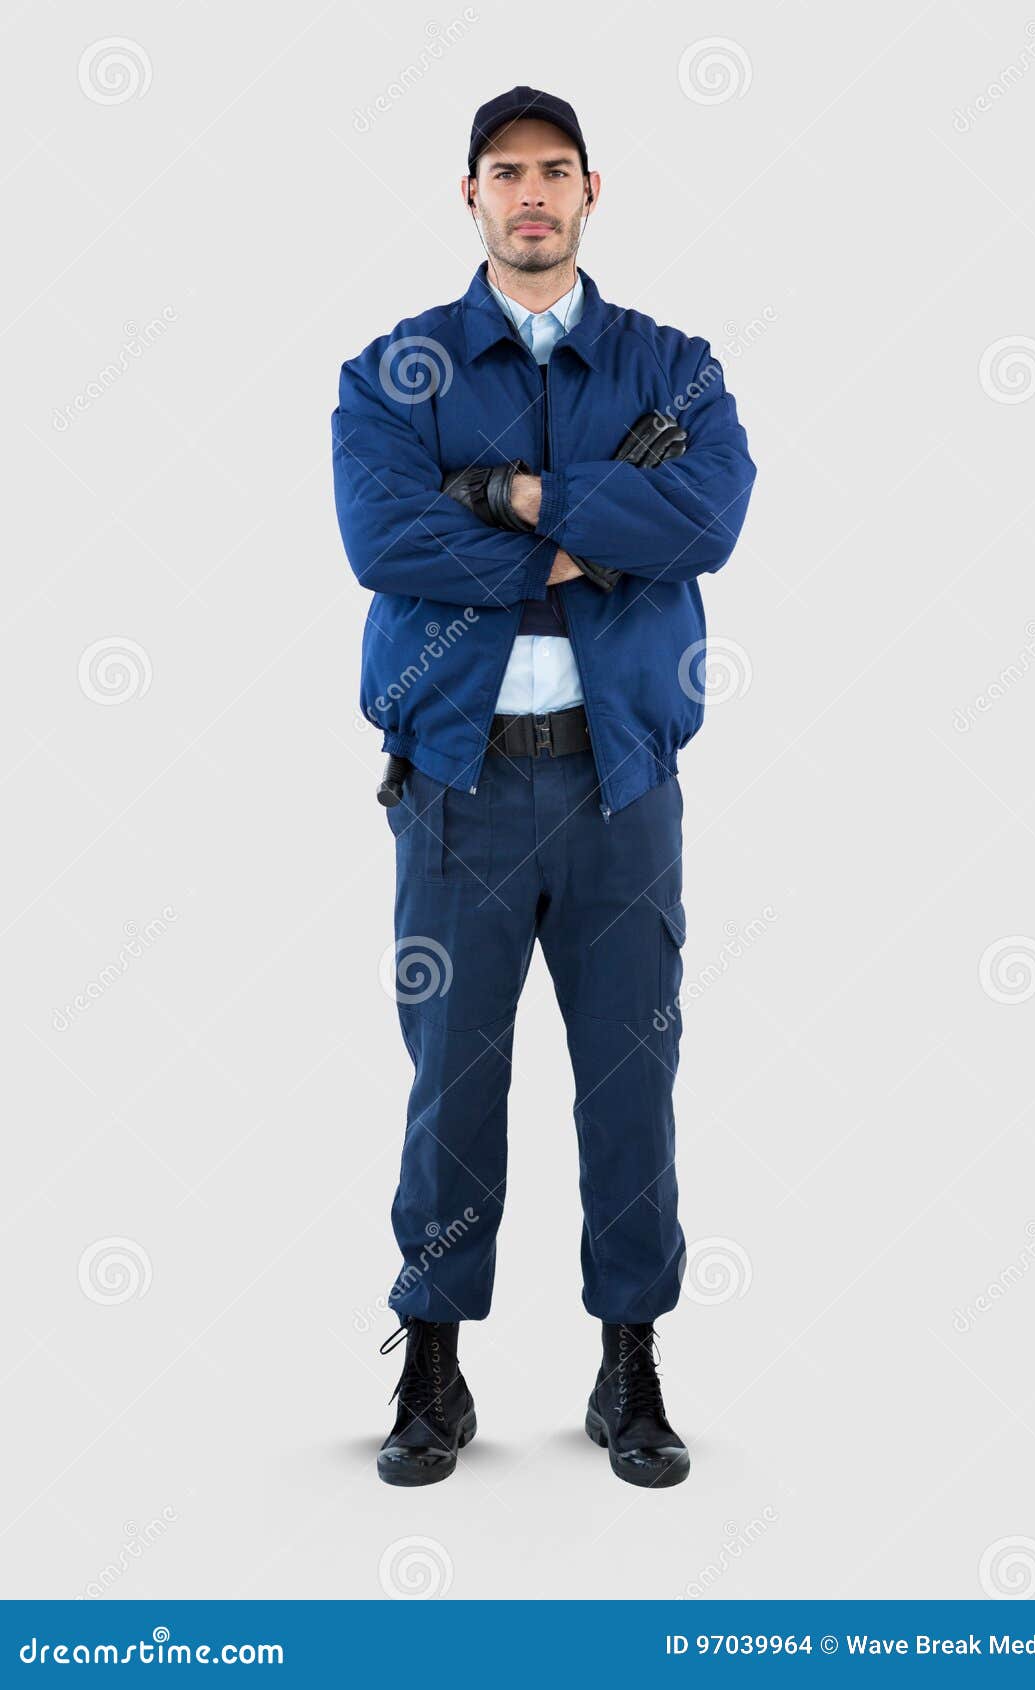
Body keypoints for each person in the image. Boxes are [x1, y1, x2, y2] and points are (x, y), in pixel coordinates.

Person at [331, 85, 756, 1488]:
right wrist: (596, 543)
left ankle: (629, 1359)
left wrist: (510, 497)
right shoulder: (394, 369)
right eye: (504, 172)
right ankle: (435, 1361)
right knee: (454, 1076)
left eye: (553, 172)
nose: (530, 194)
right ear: (469, 195)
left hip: (622, 785)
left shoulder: (672, 366)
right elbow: (384, 540)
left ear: (590, 191)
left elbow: (711, 513)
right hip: (455, 787)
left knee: (632, 1076)